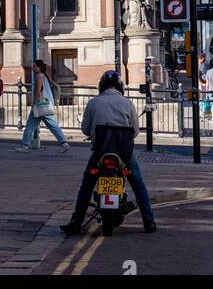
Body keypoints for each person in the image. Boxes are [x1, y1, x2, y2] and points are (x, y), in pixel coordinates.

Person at [61, 70, 156, 235]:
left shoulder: (93, 103)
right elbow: (135, 131)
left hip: (100, 152)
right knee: (138, 184)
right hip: (124, 154)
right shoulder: (128, 103)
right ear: (120, 86)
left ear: (101, 86)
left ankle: (76, 222)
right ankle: (149, 222)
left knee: (87, 185)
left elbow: (85, 129)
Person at [19, 59, 69, 151]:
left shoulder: (39, 76)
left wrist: (34, 104)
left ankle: (25, 145)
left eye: (34, 66)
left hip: (39, 105)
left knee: (30, 126)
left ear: (39, 67)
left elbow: (38, 92)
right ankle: (64, 143)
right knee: (53, 126)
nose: (33, 68)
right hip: (47, 105)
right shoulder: (45, 76)